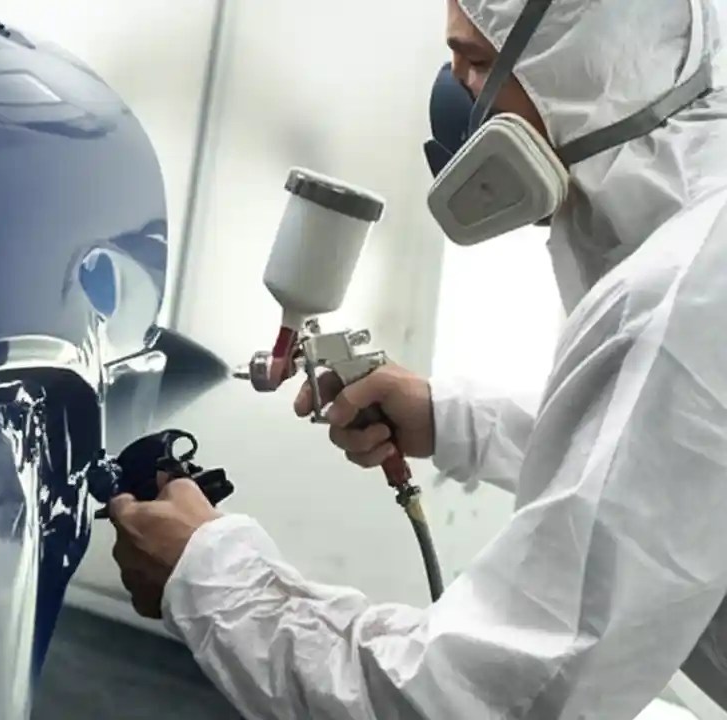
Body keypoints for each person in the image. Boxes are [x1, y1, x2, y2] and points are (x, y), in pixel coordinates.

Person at [108, 0, 727, 717]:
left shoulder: (684, 297)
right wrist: (453, 419)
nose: (454, 94)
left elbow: (484, 699)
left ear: (587, 65)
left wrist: (211, 577)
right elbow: (661, 465)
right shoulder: (694, 239)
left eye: (478, 62)